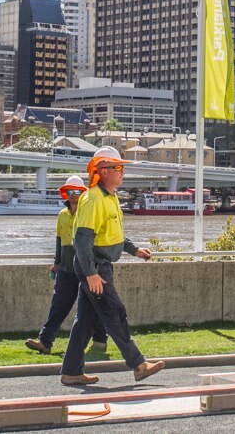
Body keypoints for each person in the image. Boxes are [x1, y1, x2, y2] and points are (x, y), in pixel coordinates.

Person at [60, 147, 165, 386]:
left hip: (99, 266)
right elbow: (82, 240)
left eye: (122, 167)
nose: (122, 172)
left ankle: (71, 372)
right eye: (117, 167)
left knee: (85, 321)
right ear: (103, 171)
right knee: (115, 313)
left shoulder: (111, 197)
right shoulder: (93, 198)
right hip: (95, 267)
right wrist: (91, 274)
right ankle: (138, 364)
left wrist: (134, 250)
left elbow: (112, 235)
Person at [25, 175, 108, 354]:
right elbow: (59, 241)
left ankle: (100, 341)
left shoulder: (88, 213)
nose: (74, 195)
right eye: (70, 191)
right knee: (58, 305)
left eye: (78, 191)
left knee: (94, 305)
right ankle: (45, 342)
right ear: (66, 194)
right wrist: (57, 263)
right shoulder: (62, 215)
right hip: (66, 268)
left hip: (86, 268)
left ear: (83, 193)